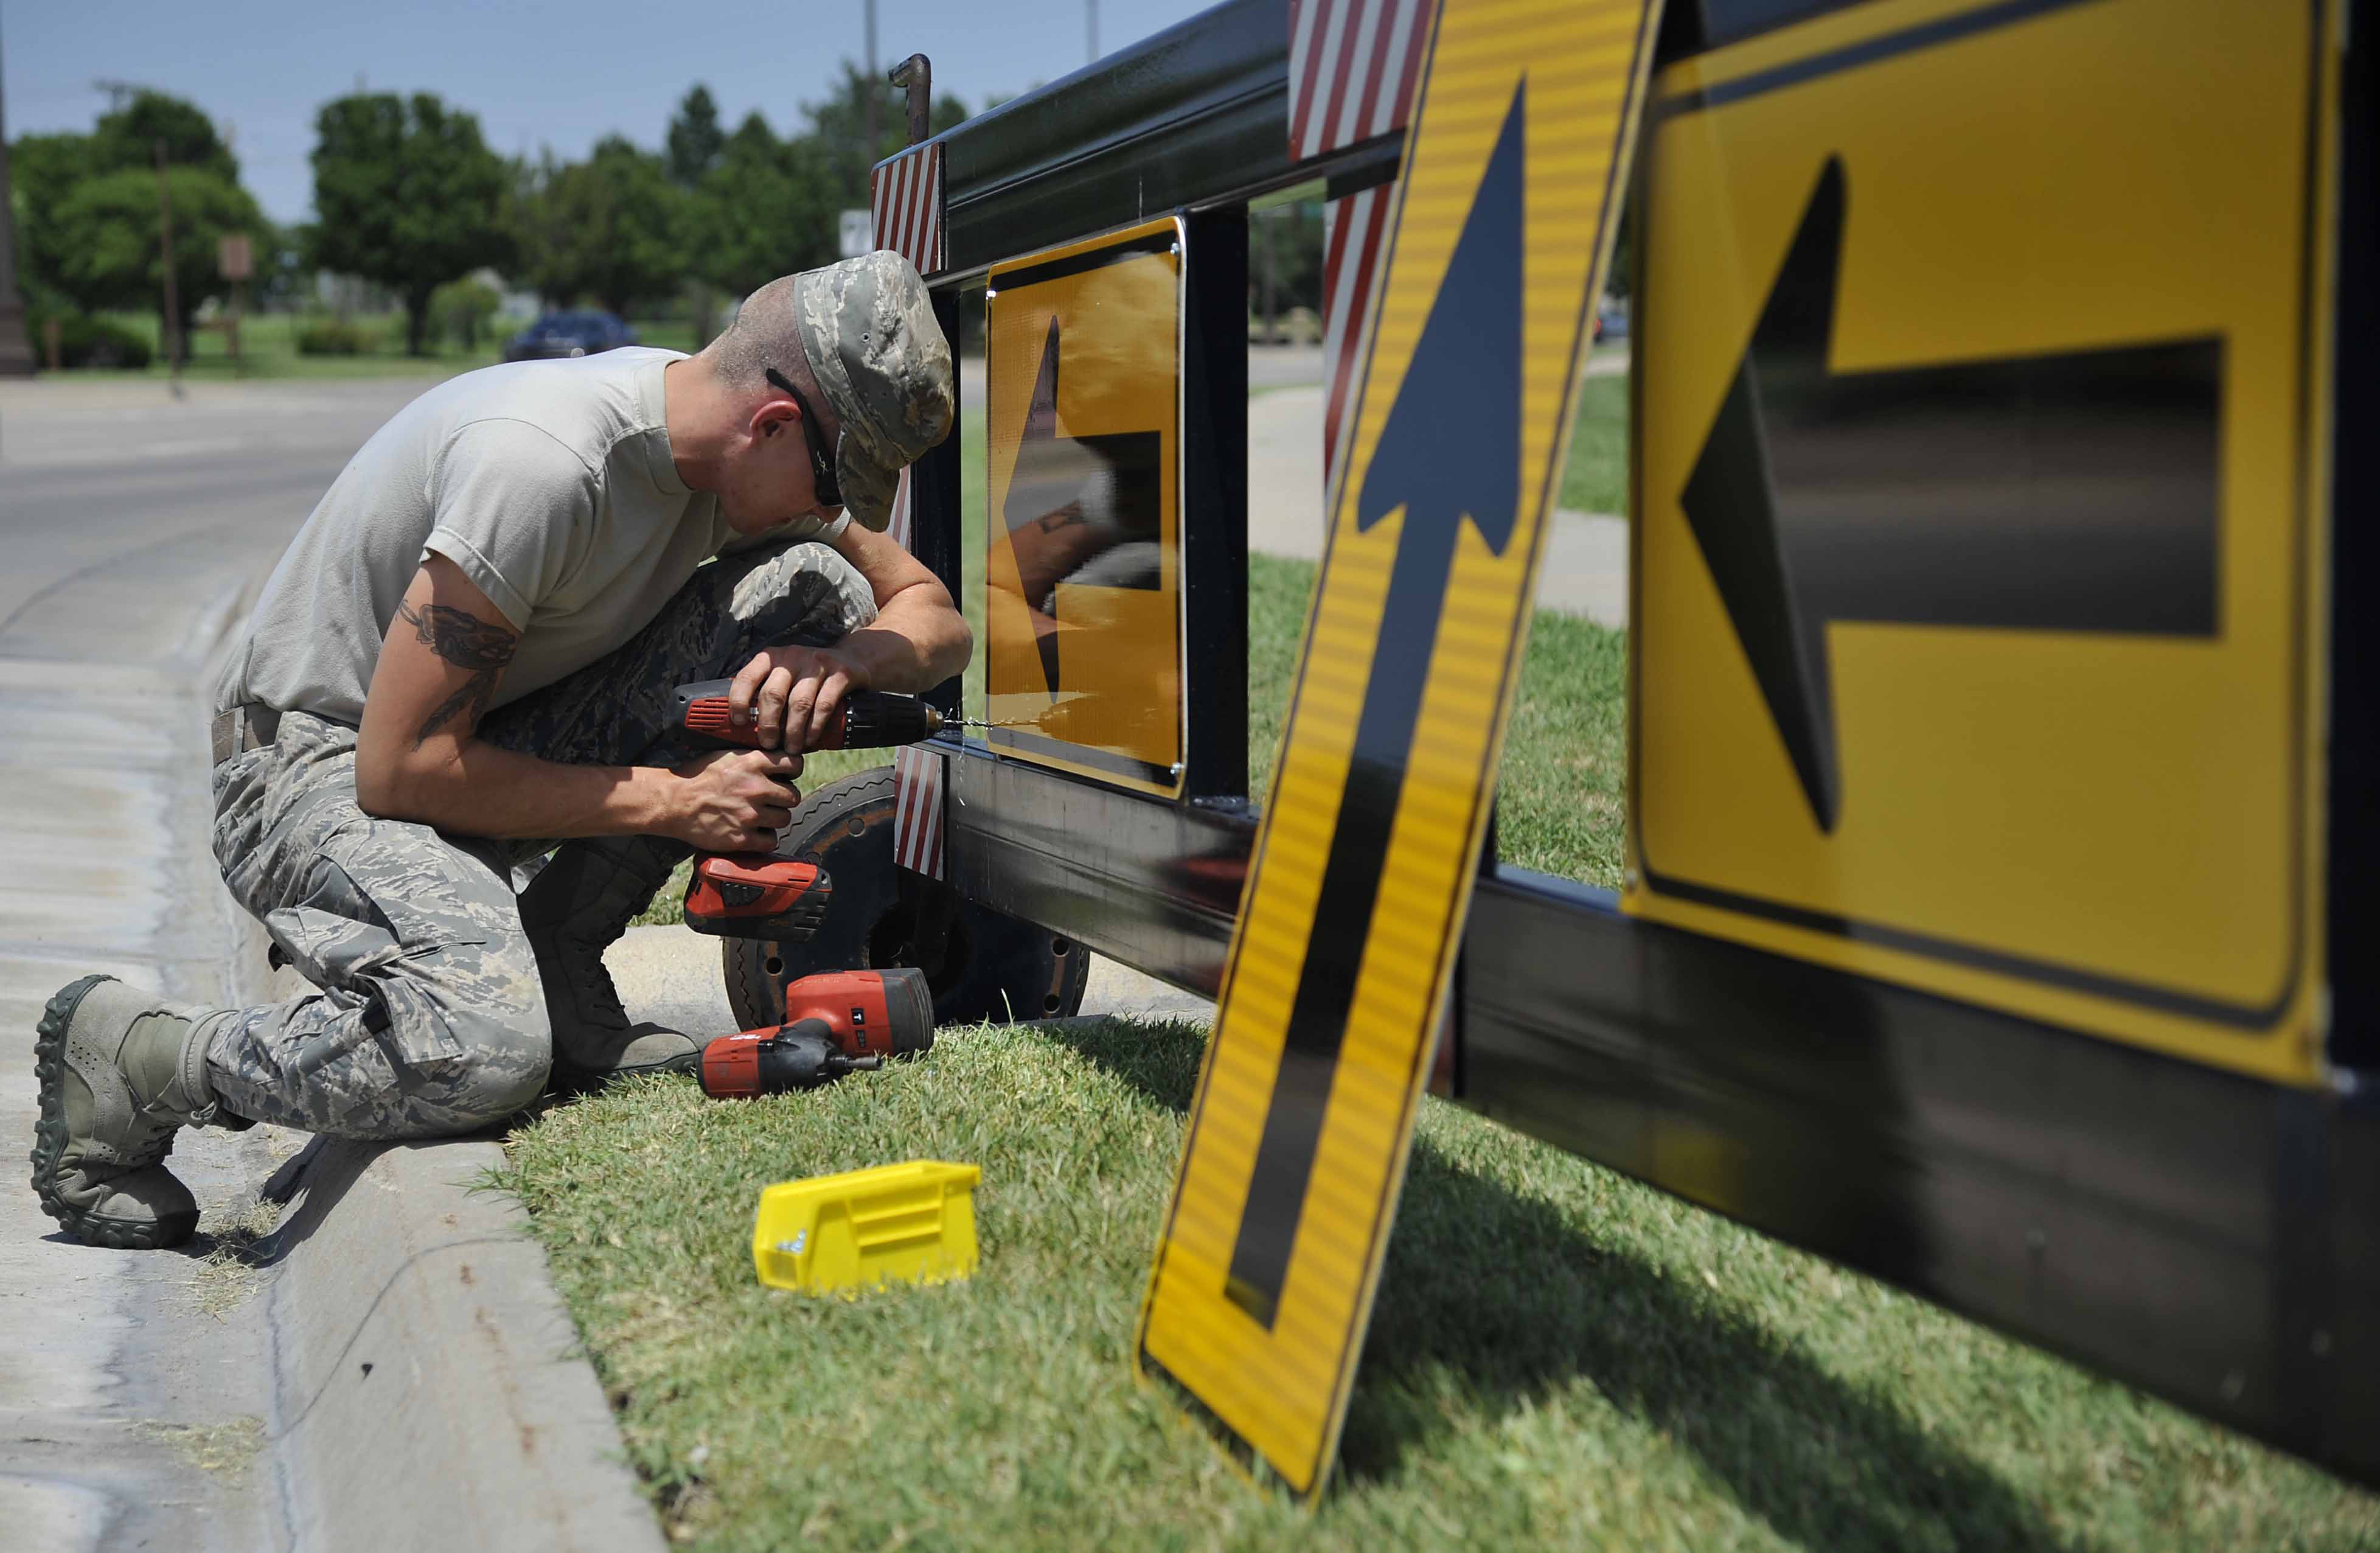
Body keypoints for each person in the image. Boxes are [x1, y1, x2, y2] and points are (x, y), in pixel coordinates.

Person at [29, 253, 969, 1250]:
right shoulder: (543, 467)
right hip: (307, 768)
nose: (832, 508)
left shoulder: (717, 430)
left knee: (812, 587)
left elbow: (938, 622)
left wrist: (848, 663)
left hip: (468, 734)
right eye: (834, 480)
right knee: (484, 1049)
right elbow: (399, 774)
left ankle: (559, 969)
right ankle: (147, 1056)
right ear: (773, 424)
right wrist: (667, 802)